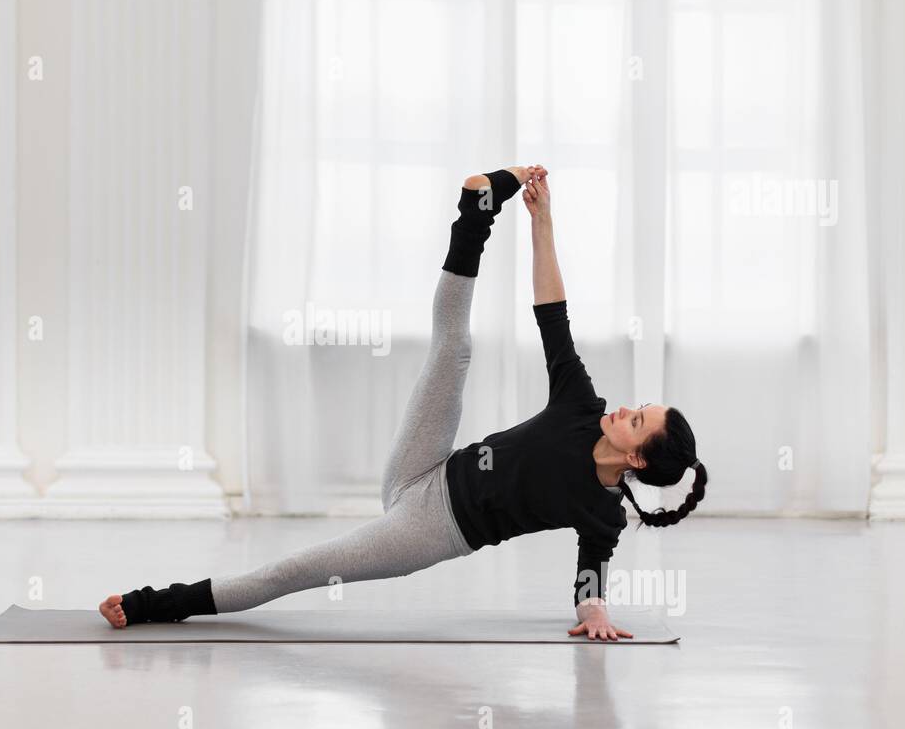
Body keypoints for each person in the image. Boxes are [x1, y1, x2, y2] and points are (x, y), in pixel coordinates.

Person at [100, 165, 706, 640]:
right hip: (426, 466)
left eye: (638, 420)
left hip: (427, 529)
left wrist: (594, 610)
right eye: (638, 406)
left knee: (293, 572)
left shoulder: (602, 514)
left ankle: (154, 603)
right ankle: (475, 216)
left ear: (639, 462)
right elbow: (553, 313)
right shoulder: (580, 402)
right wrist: (542, 226)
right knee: (454, 351)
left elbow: (590, 579)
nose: (625, 409)